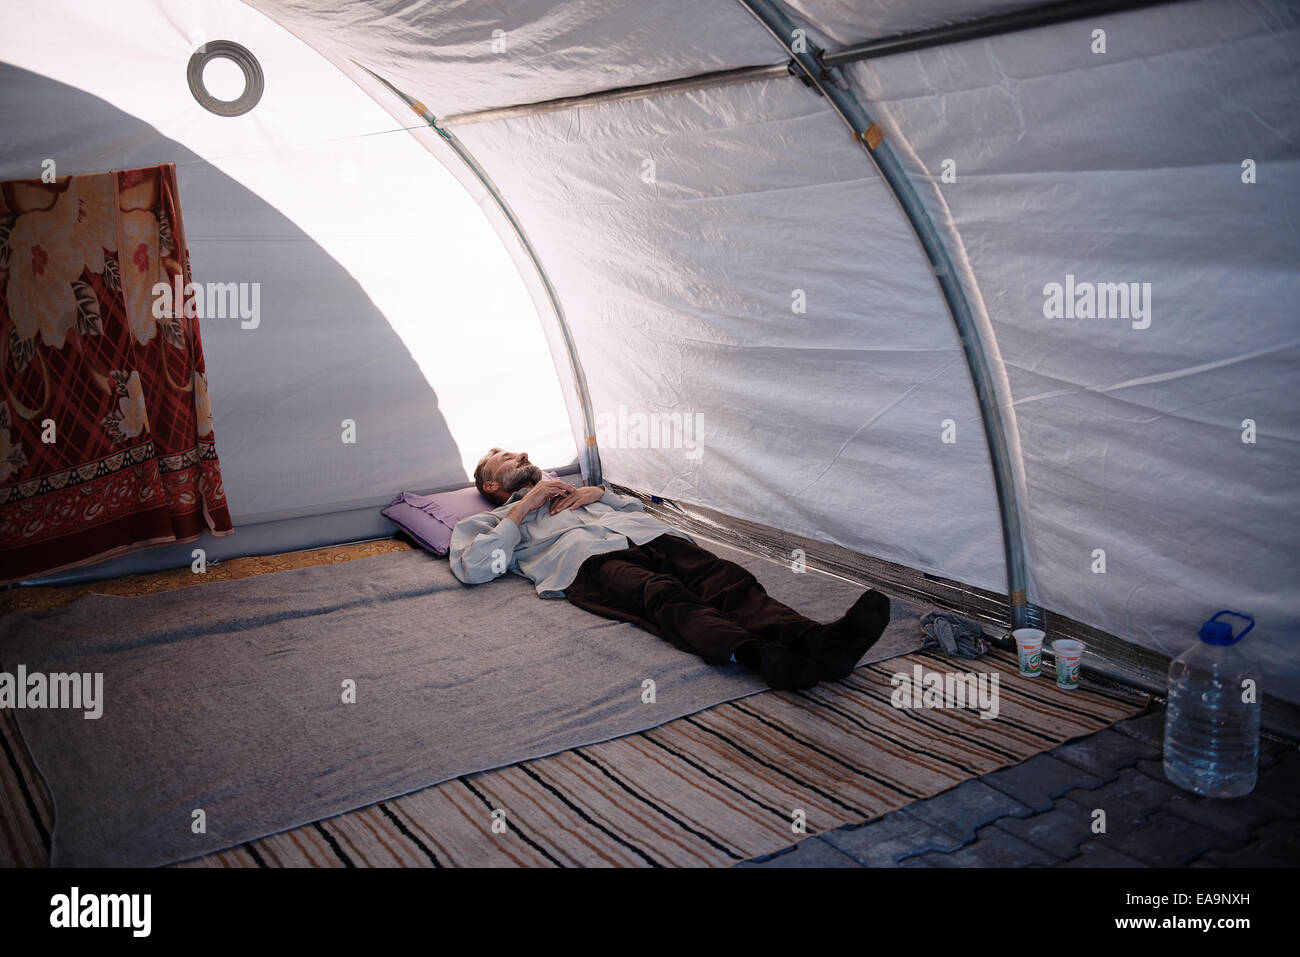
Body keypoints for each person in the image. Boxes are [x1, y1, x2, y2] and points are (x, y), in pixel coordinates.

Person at [448, 448, 891, 691]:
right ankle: (760, 656)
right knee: (663, 597)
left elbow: (636, 506)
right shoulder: (488, 523)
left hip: (649, 536)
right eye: (506, 456)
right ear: (491, 484)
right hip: (587, 561)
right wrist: (526, 506)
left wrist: (598, 493)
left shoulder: (582, 490)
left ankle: (820, 642)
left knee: (730, 581)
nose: (522, 452)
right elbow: (476, 567)